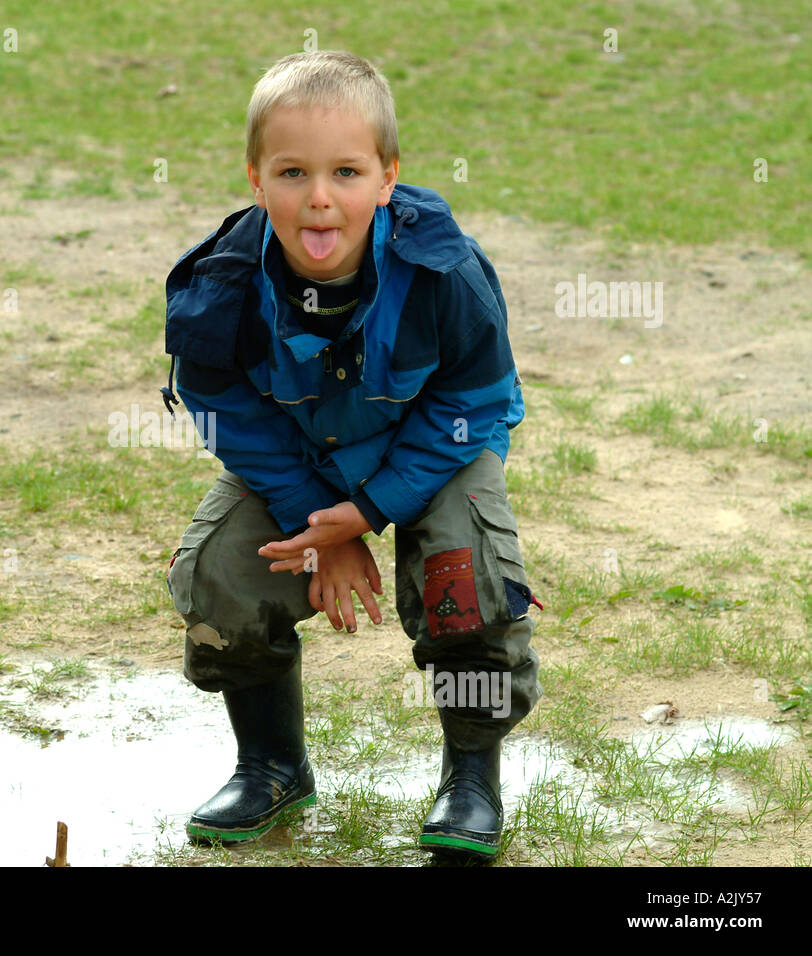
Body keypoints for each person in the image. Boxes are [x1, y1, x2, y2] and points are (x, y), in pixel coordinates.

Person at [161, 51, 541, 861]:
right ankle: (271, 764)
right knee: (220, 575)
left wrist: (369, 513)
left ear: (388, 177)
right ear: (256, 179)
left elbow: (474, 404)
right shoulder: (220, 284)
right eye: (293, 172)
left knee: (465, 582)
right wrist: (316, 520)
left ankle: (470, 774)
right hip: (297, 466)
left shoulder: (445, 272)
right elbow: (222, 407)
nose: (320, 197)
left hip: (433, 453)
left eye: (346, 171)